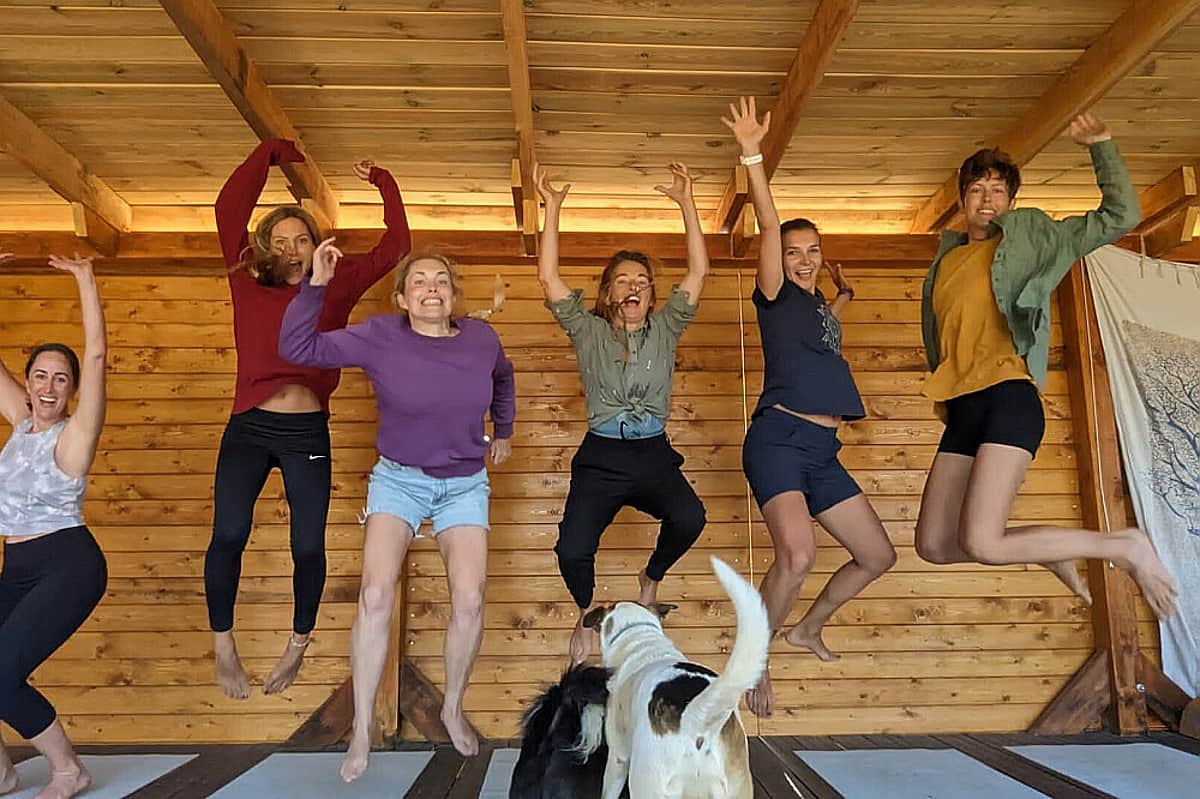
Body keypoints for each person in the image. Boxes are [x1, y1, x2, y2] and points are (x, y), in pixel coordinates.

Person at [913, 111, 1178, 620]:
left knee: (984, 542)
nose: (986, 199)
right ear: (961, 199)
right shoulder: (944, 262)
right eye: (976, 189)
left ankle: (1124, 545)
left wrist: (1101, 146)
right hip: (964, 408)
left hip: (1008, 397)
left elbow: (1120, 216)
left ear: (1011, 202)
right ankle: (1049, 549)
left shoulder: (1036, 240)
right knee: (934, 544)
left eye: (997, 190)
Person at [280, 244, 514, 774]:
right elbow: (298, 347)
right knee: (375, 594)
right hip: (398, 480)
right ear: (403, 298)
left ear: (453, 295)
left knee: (470, 598)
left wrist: (504, 429)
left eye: (441, 281)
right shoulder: (379, 335)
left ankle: (451, 706)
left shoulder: (481, 339)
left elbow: (503, 377)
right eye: (420, 281)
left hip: (463, 483)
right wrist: (315, 287)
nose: (432, 288)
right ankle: (363, 727)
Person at [207, 140, 411, 699]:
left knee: (307, 545)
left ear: (317, 246)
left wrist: (385, 182)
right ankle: (223, 645)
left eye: (302, 239)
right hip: (249, 427)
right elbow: (227, 209)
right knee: (229, 532)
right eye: (281, 241)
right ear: (265, 248)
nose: (292, 249)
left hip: (306, 432)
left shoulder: (335, 282)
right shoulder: (245, 276)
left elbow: (396, 246)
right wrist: (267, 153)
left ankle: (298, 644)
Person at [723, 97, 897, 718]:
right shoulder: (774, 295)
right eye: (795, 250)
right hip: (779, 440)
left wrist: (844, 293)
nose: (803, 258)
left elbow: (824, 330)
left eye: (812, 250)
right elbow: (769, 226)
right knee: (797, 556)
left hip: (823, 450)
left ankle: (807, 627)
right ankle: (755, 660)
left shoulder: (819, 308)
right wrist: (753, 155)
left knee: (877, 556)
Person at [535, 161, 710, 665]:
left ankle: (649, 581)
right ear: (609, 291)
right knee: (572, 550)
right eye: (622, 280)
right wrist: (553, 207)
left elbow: (698, 271)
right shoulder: (587, 329)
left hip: (653, 454)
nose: (633, 287)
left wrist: (687, 202)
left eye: (642, 281)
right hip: (603, 456)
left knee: (690, 518)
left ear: (652, 295)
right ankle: (586, 612)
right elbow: (548, 275)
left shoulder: (668, 327)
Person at [0, 254, 108, 799]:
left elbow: (97, 353)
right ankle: (3, 772)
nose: (48, 386)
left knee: (2, 674)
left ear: (72, 390)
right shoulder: (22, 424)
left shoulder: (74, 438)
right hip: (17, 566)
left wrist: (85, 280)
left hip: (67, 564)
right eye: (40, 375)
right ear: (27, 382)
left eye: (61, 379)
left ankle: (68, 769)